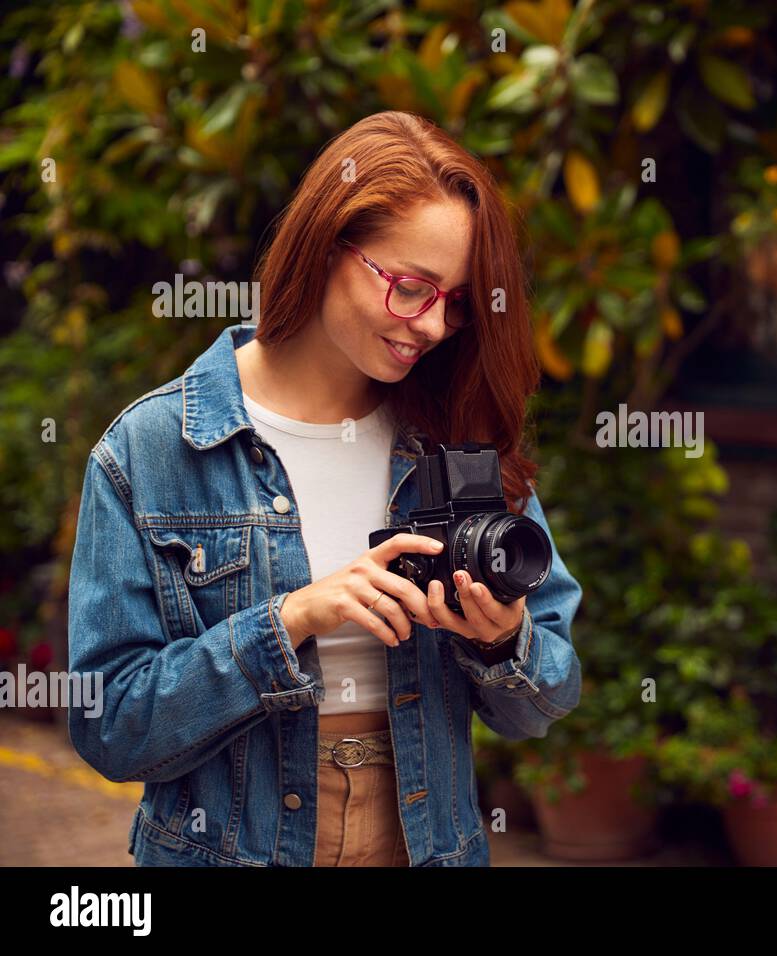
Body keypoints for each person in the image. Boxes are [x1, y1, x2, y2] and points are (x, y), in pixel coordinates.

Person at [65, 111, 583, 867]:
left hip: (425, 845)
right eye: (411, 287)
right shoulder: (151, 451)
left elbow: (545, 701)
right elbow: (111, 725)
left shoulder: (455, 435)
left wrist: (502, 639)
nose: (435, 326)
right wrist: (293, 620)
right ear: (327, 245)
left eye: (459, 300)